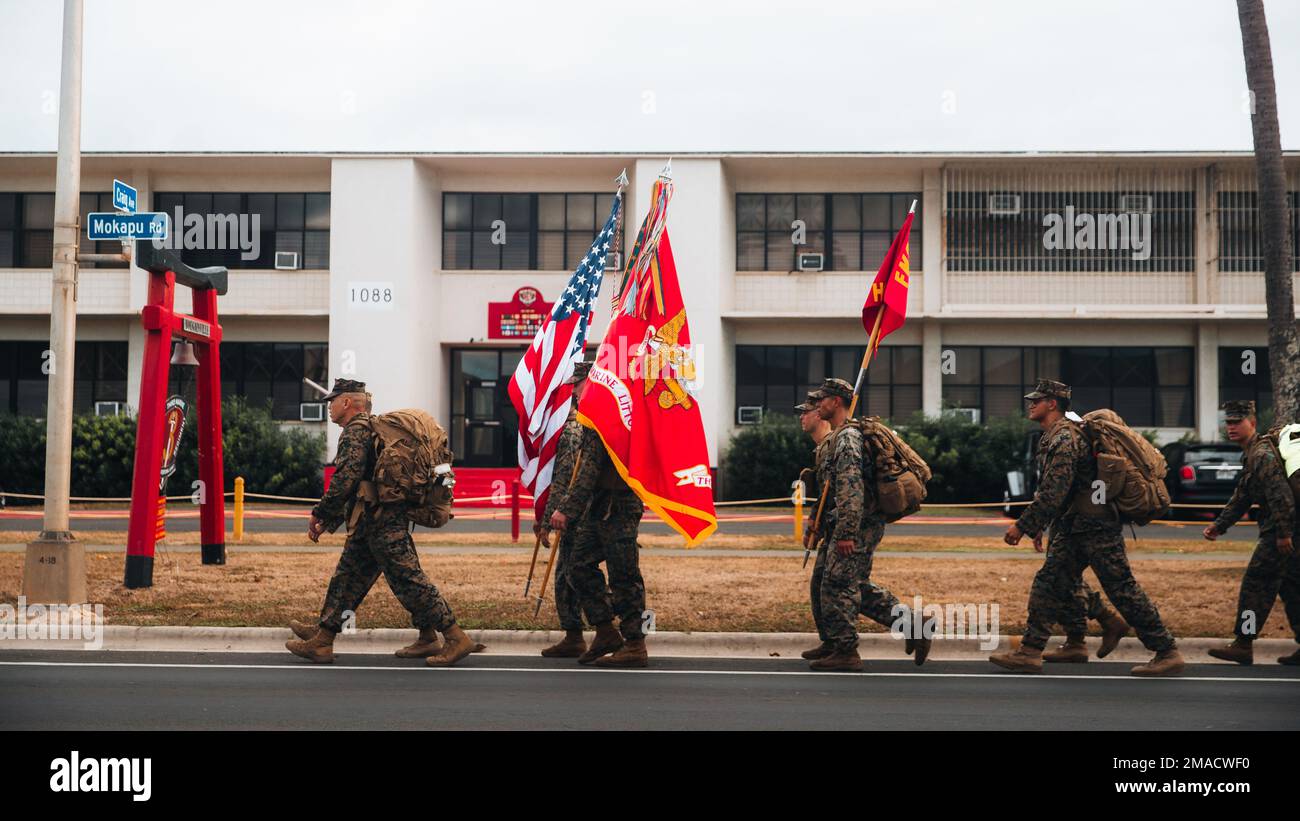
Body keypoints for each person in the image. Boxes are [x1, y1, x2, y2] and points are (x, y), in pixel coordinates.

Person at [990, 379, 1183, 676]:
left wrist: (1023, 525)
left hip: (1095, 527)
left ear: (1052, 403)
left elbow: (1054, 491)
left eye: (1036, 400)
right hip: (1074, 526)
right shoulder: (1060, 435)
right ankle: (1040, 649)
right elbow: (1059, 492)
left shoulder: (1065, 438)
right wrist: (1042, 525)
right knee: (1052, 583)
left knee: (1121, 589)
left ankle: (1166, 650)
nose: (1031, 404)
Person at [286, 378, 475, 666]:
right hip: (373, 520)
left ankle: (455, 636)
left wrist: (321, 513)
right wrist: (332, 518)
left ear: (347, 403)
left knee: (408, 579)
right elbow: (362, 483)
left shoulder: (355, 432)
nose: (330, 407)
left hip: (383, 523)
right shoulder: (370, 430)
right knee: (348, 576)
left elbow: (346, 480)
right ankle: (325, 636)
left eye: (333, 401)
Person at [805, 377, 932, 671]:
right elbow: (831, 489)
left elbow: (851, 489)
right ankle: (839, 641)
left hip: (858, 525)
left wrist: (847, 533)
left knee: (841, 584)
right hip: (845, 523)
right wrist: (817, 522)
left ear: (836, 402)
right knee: (833, 581)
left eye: (822, 399)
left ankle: (847, 652)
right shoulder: (839, 436)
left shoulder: (848, 438)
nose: (818, 404)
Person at [549, 401, 649, 668]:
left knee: (625, 577)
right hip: (601, 505)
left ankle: (636, 644)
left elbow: (588, 471)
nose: (575, 394)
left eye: (577, 386)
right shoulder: (603, 411)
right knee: (577, 566)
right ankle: (606, 631)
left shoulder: (604, 412)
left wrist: (566, 510)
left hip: (621, 505)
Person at [1204, 400, 1300, 666]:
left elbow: (1281, 498)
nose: (1231, 427)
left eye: (1238, 422)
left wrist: (1283, 534)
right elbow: (1243, 496)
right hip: (1289, 529)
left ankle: (1243, 645)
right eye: (1229, 422)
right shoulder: (1252, 454)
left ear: (1253, 423)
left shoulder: (1261, 455)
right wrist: (1219, 525)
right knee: (1292, 586)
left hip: (1282, 530)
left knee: (1255, 584)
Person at [535, 361, 599, 658]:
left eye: (576, 384)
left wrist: (550, 518)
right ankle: (579, 634)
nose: (572, 391)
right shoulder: (583, 421)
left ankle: (594, 631)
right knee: (572, 574)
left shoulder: (575, 426)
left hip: (579, 514)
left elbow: (564, 477)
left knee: (571, 575)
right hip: (585, 511)